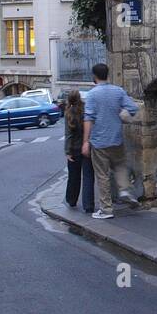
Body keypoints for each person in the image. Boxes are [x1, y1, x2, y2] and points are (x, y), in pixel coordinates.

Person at [82, 62, 140, 220]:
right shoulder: (118, 91)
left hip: (99, 141)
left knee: (102, 175)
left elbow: (88, 118)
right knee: (120, 166)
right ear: (108, 74)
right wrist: (121, 114)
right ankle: (124, 190)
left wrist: (85, 141)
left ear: (94, 76)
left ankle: (106, 209)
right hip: (116, 138)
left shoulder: (92, 95)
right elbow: (133, 108)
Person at [63, 91, 95, 214]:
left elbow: (68, 135)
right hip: (86, 147)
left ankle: (72, 199)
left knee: (73, 176)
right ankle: (88, 205)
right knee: (88, 176)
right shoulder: (85, 111)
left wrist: (67, 151)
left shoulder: (68, 114)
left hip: (74, 149)